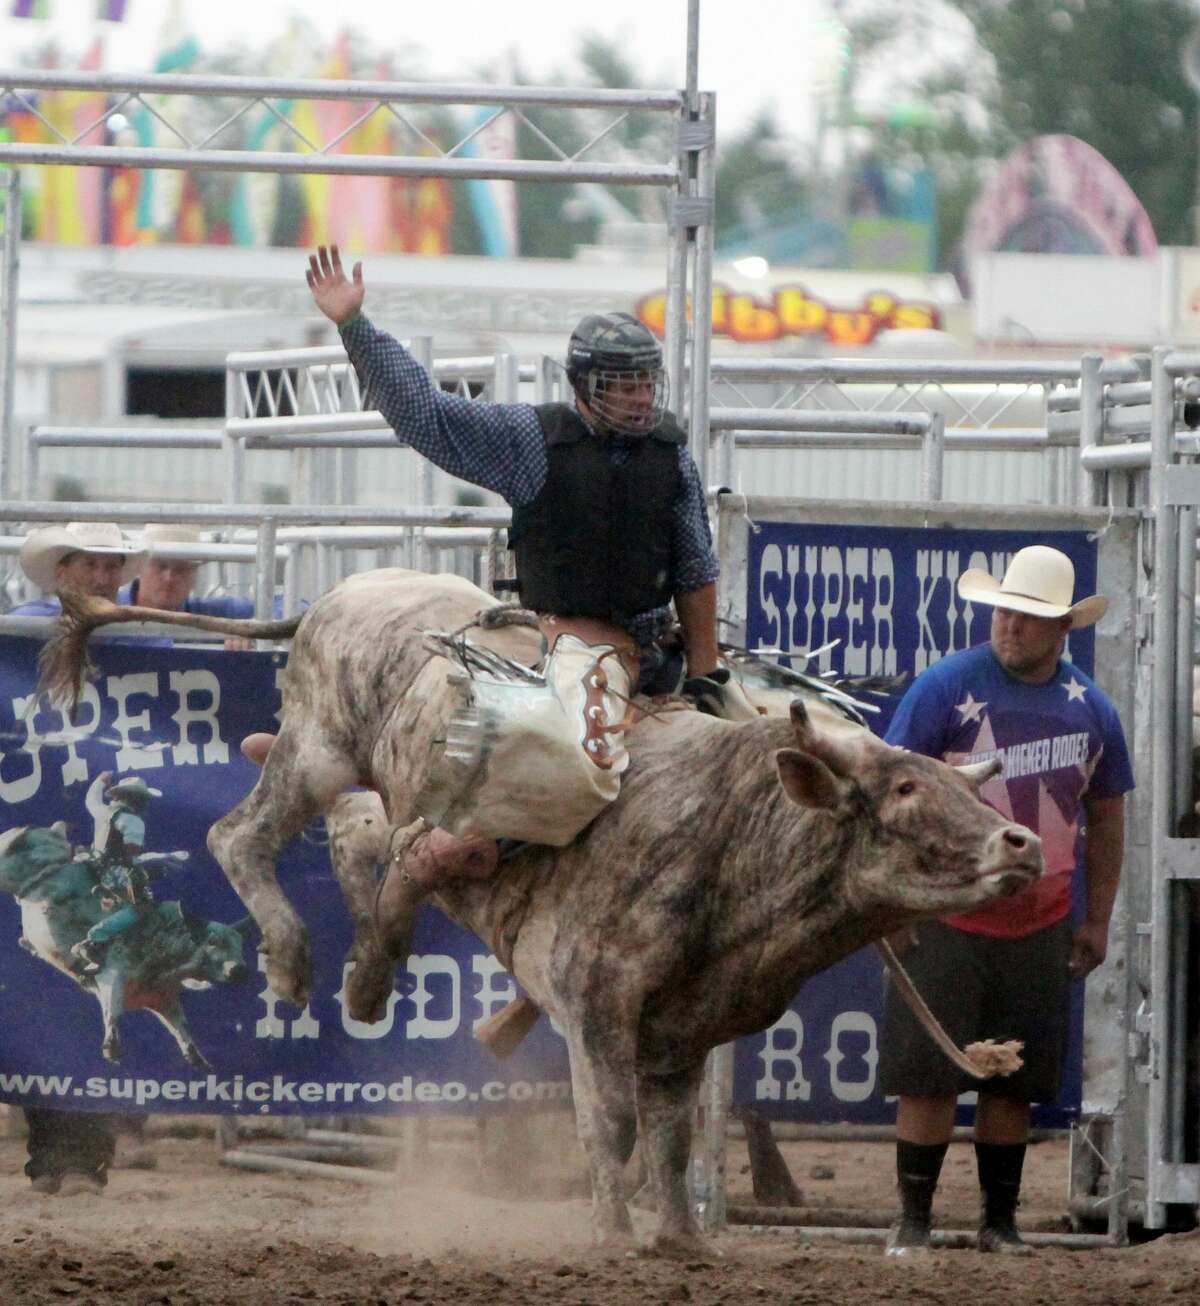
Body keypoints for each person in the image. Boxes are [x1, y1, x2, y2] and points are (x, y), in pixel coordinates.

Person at [301, 243, 753, 956]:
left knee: (757, 751)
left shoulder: (673, 454)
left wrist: (710, 677)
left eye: (646, 383)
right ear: (584, 385)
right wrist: (356, 328)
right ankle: (442, 849)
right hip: (571, 644)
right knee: (575, 762)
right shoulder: (531, 440)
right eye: (624, 385)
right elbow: (429, 416)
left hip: (654, 647)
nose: (640, 398)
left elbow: (696, 567)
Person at [879, 545, 1134, 1257]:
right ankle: (913, 1222)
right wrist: (896, 907)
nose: (1009, 627)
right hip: (943, 915)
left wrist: (1097, 918)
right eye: (1004, 612)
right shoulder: (944, 687)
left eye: (1026, 618)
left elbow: (1108, 816)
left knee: (1013, 1083)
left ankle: (999, 1222)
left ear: (1062, 630)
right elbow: (892, 796)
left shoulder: (1093, 710)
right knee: (929, 1074)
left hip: (1040, 920)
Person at [12, 521, 145, 616]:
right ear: (62, 573)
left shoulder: (139, 637)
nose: (102, 580)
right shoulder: (23, 626)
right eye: (90, 565)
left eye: (112, 567)